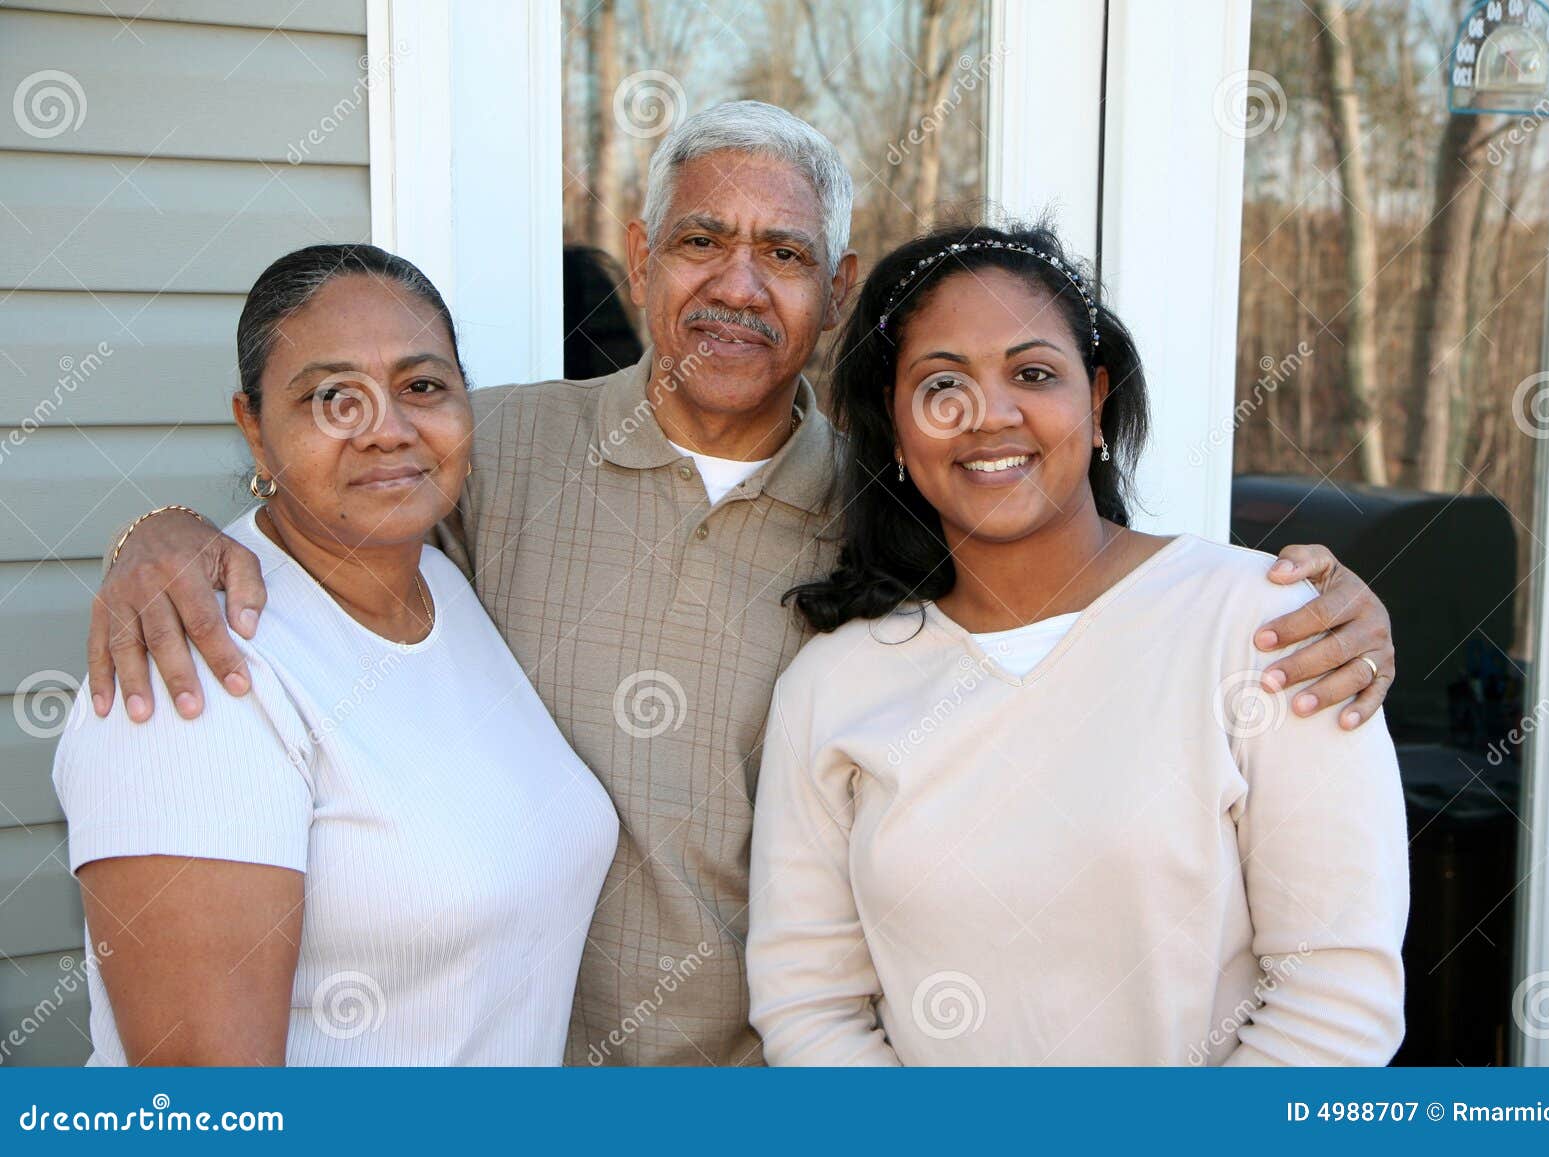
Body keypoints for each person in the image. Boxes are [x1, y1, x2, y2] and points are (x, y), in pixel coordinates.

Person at [84, 102, 1396, 1066]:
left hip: (770, 1091)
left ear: (831, 294)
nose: (736, 283)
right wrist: (169, 536)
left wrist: (1334, 607)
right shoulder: (491, 453)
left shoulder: (896, 512)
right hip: (537, 1071)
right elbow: (337, 515)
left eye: (781, 253)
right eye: (702, 240)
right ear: (645, 255)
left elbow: (1074, 609)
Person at [747, 223, 1409, 1065]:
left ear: (1095, 401)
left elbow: (1336, 996)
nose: (989, 414)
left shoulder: (1262, 624)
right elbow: (810, 1007)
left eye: (1033, 373)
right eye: (942, 382)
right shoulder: (832, 684)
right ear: (898, 427)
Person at [53, 245, 618, 1065]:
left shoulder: (445, 584)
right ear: (254, 427)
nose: (386, 429)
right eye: (331, 397)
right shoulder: (195, 671)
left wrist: (155, 522)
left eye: (422, 387)